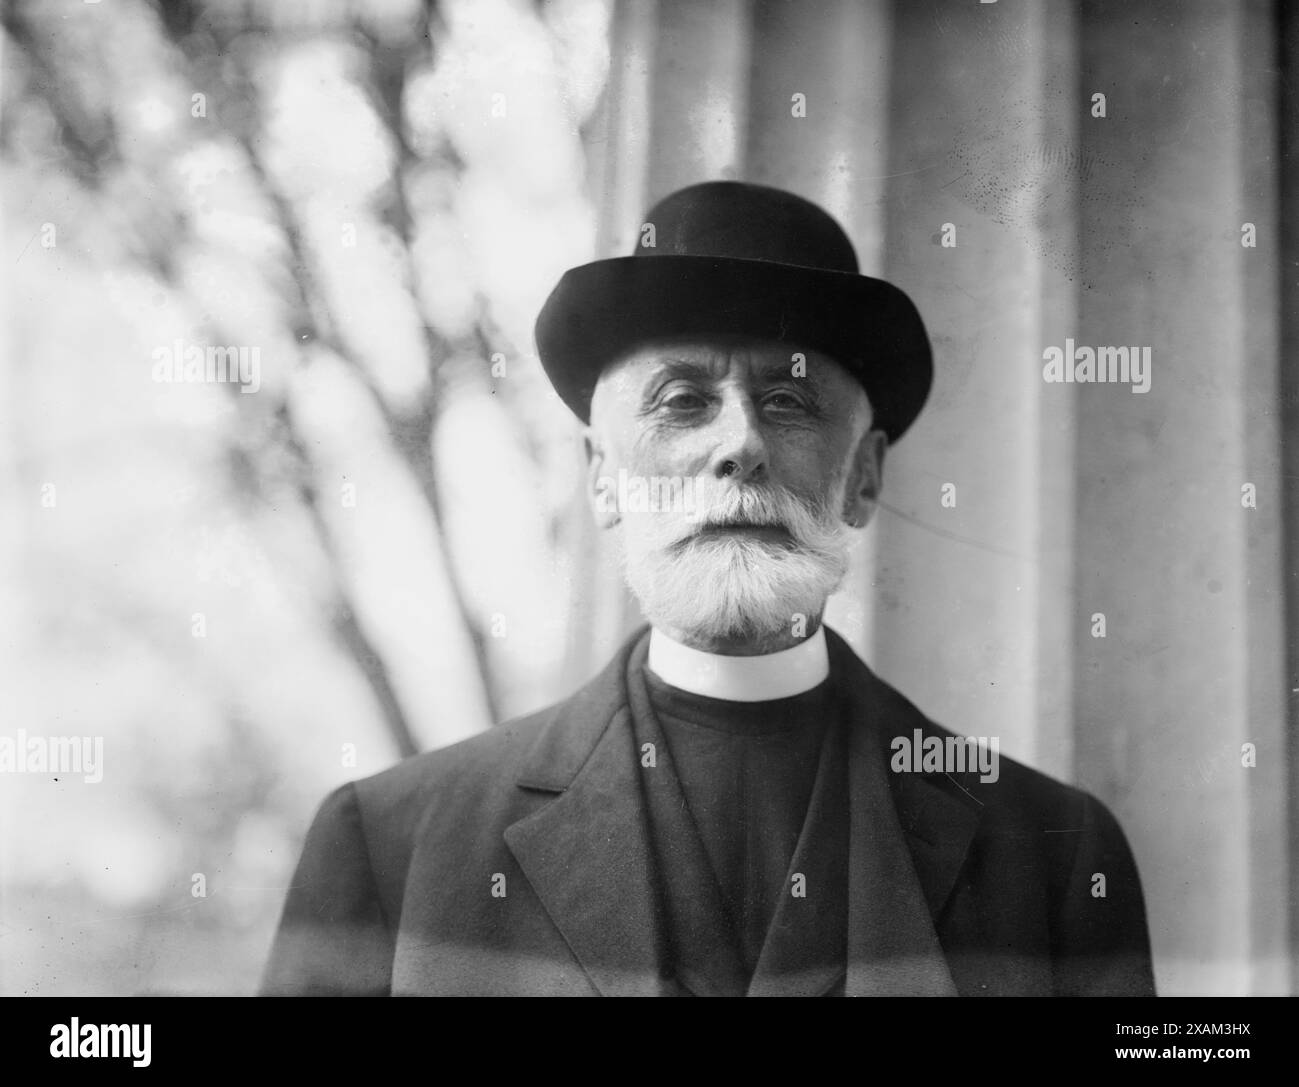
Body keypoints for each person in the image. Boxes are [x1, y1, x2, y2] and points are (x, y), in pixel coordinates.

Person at [261, 181, 1156, 997]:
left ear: (863, 477)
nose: (741, 446)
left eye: (791, 402)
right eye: (683, 400)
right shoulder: (390, 849)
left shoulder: (1052, 855)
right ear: (603, 477)